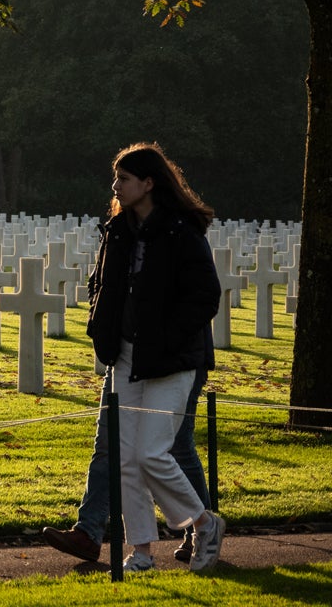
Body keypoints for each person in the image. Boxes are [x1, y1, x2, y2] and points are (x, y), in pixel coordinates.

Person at [66, 142, 224, 574]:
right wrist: (103, 329)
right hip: (126, 355)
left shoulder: (180, 232)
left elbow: (204, 295)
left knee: (154, 453)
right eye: (116, 178)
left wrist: (167, 338)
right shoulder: (118, 231)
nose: (115, 186)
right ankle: (140, 552)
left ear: (148, 183)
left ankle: (205, 523)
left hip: (172, 359)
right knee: (125, 458)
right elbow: (100, 284)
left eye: (124, 179)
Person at [41, 366, 211, 563]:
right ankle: (90, 532)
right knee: (109, 444)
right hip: (122, 358)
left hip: (175, 359)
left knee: (175, 448)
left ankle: (200, 529)